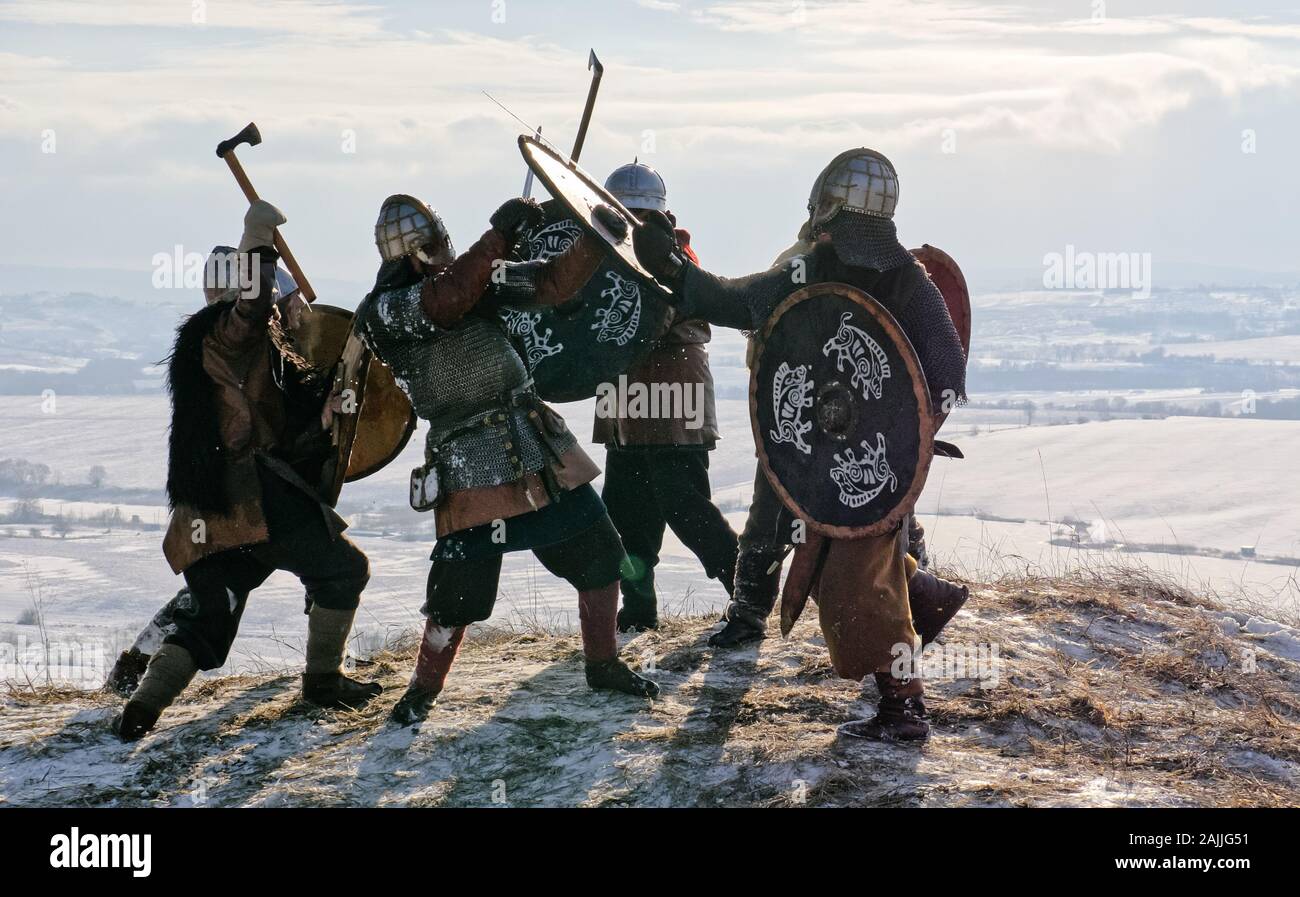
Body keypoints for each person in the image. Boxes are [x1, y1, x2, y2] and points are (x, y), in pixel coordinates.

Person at [633, 148, 967, 740]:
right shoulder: (894, 276)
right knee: (845, 559)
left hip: (869, 460)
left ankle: (906, 704)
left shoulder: (833, 266)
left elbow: (942, 373)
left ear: (829, 205)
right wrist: (677, 271)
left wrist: (903, 438)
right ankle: (921, 601)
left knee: (864, 581)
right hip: (824, 446)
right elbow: (740, 304)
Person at [355, 194, 661, 725]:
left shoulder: (480, 282)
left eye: (446, 242)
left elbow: (551, 283)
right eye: (432, 247)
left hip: (534, 442)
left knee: (600, 554)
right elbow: (445, 301)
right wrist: (499, 233)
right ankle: (421, 693)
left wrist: (595, 239)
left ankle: (603, 662)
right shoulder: (385, 311)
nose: (444, 252)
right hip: (467, 457)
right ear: (406, 257)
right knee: (456, 593)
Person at [113, 202, 379, 741]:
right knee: (343, 570)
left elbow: (271, 415)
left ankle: (140, 710)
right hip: (253, 497)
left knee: (211, 614)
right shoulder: (228, 333)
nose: (285, 308)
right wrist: (256, 237)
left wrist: (324, 410)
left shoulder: (227, 349)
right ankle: (323, 682)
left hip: (209, 507)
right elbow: (255, 305)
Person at [593, 161, 738, 632]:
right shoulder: (600, 253)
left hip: (675, 396)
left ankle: (748, 594)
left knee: (686, 506)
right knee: (624, 516)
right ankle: (637, 611)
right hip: (625, 401)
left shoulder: (675, 256)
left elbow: (679, 305)